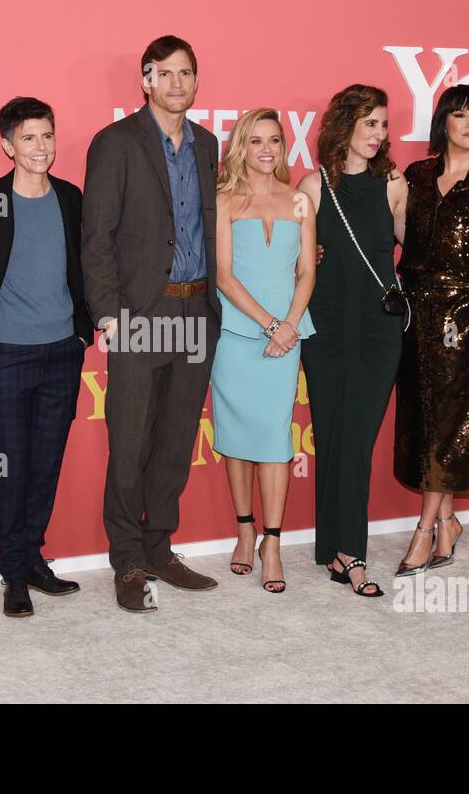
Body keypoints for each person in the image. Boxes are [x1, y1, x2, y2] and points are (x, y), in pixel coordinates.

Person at [82, 35, 221, 612]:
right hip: (142, 312)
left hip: (195, 308)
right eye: (166, 74)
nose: (178, 84)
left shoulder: (209, 145)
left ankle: (160, 546)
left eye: (186, 73)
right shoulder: (116, 143)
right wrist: (110, 315)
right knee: (131, 438)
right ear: (146, 80)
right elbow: (97, 240)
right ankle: (128, 558)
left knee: (174, 439)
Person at [393, 84, 469, 576]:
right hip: (414, 312)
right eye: (461, 114)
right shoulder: (418, 176)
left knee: (448, 424)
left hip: (463, 318)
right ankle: (449, 521)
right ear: (442, 122)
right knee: (423, 421)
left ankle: (424, 531)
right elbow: (405, 238)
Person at [0, 97, 92, 617]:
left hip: (62, 352)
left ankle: (34, 558)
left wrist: (83, 335)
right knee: (10, 467)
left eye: (47, 135)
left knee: (45, 464)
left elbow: (85, 267)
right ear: (7, 145)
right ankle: (13, 571)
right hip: (5, 353)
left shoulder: (70, 197)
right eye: (29, 137)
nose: (41, 146)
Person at [295, 85, 406, 598]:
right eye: (370, 124)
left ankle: (348, 552)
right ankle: (334, 548)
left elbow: (418, 253)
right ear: (344, 126)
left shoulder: (395, 186)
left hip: (379, 331)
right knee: (335, 435)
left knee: (356, 441)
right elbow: (294, 263)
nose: (379, 135)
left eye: (383, 125)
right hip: (327, 330)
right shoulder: (311, 188)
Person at [212, 108, 316, 594]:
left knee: (275, 438)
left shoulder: (300, 202)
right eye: (255, 141)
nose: (267, 149)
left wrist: (289, 326)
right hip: (239, 332)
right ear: (241, 147)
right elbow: (224, 276)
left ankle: (272, 543)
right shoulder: (224, 202)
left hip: (287, 336)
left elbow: (307, 273)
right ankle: (244, 529)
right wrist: (270, 324)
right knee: (237, 434)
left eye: (274, 140)